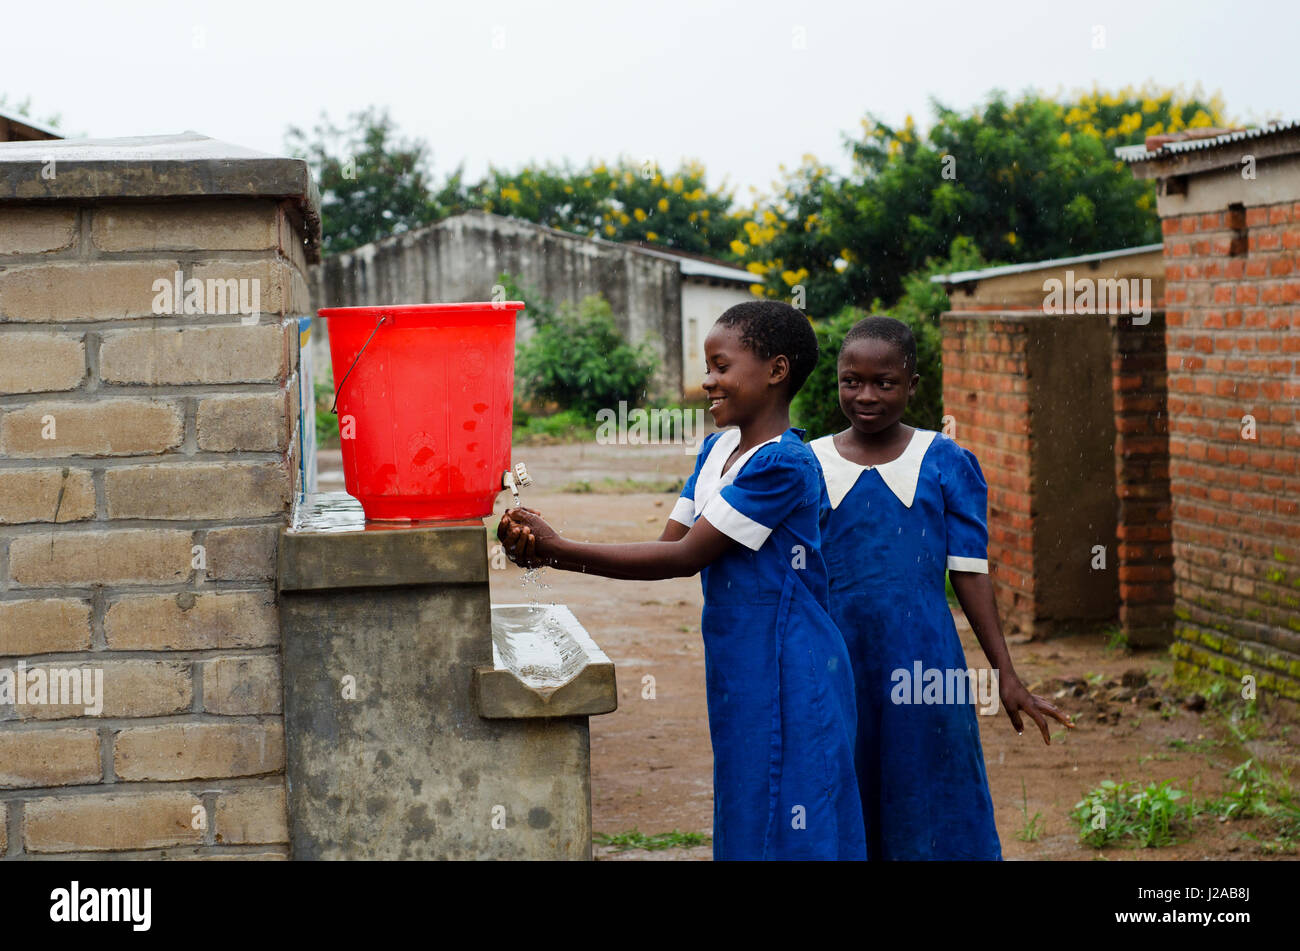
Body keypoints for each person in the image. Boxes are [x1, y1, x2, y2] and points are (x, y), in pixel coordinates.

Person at [499, 301, 866, 860]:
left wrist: (556, 551)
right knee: (749, 800)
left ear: (776, 370)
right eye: (708, 367)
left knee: (795, 808)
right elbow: (669, 543)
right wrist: (548, 544)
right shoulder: (718, 449)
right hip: (740, 662)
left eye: (721, 366)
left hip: (791, 662)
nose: (707, 381)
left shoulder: (782, 465)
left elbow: (686, 558)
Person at [810, 315, 1073, 860]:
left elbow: (970, 572)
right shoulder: (807, 465)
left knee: (931, 785)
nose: (866, 395)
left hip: (925, 664)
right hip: (834, 660)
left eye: (885, 383)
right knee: (839, 784)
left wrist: (1007, 675)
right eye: (850, 381)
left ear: (913, 386)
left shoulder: (946, 462)